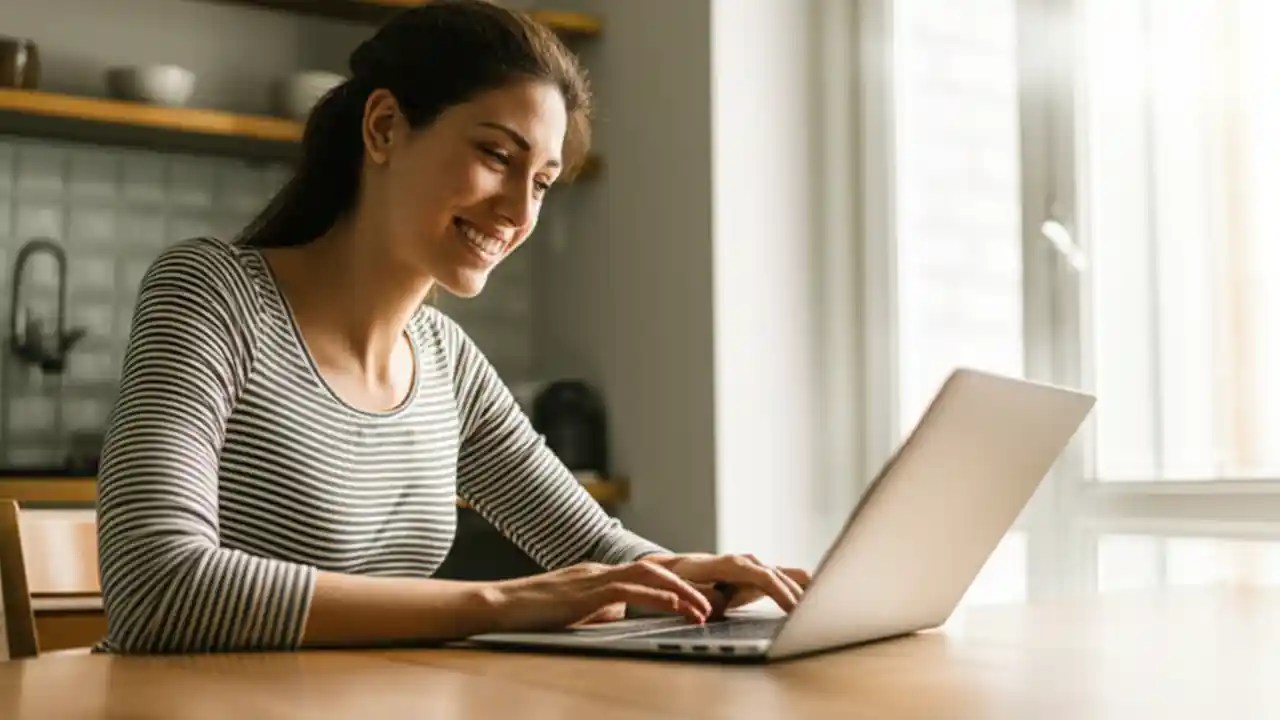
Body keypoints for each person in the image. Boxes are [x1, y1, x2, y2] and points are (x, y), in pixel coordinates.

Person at [96, 0, 808, 654]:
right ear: (384, 128)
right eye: (497, 155)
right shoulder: (213, 294)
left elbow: (592, 548)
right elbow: (156, 588)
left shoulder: (446, 362)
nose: (519, 214)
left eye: (541, 183)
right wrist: (496, 602)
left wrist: (705, 581)